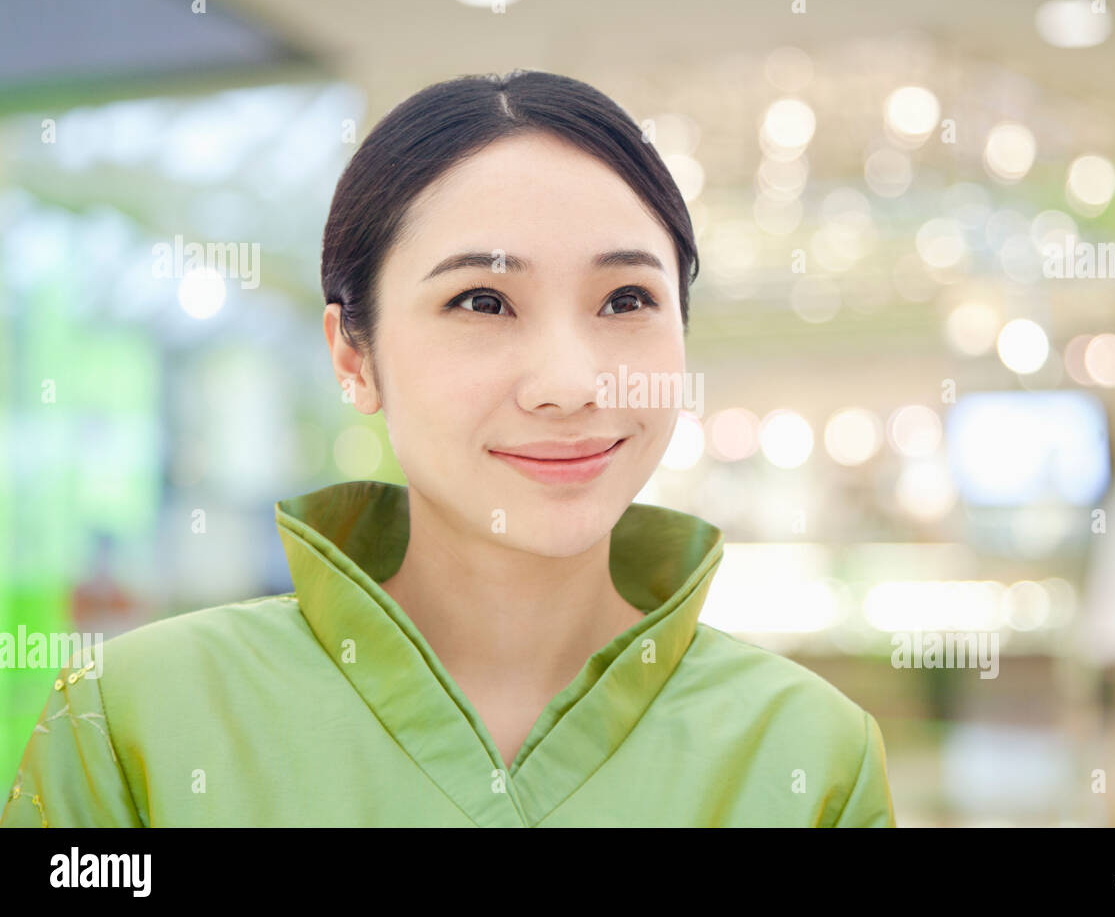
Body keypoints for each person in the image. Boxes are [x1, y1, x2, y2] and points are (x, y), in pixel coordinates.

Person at [1, 70, 895, 827]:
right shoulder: (135, 721)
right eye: (481, 301)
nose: (570, 385)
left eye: (626, 300)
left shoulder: (810, 755)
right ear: (354, 355)